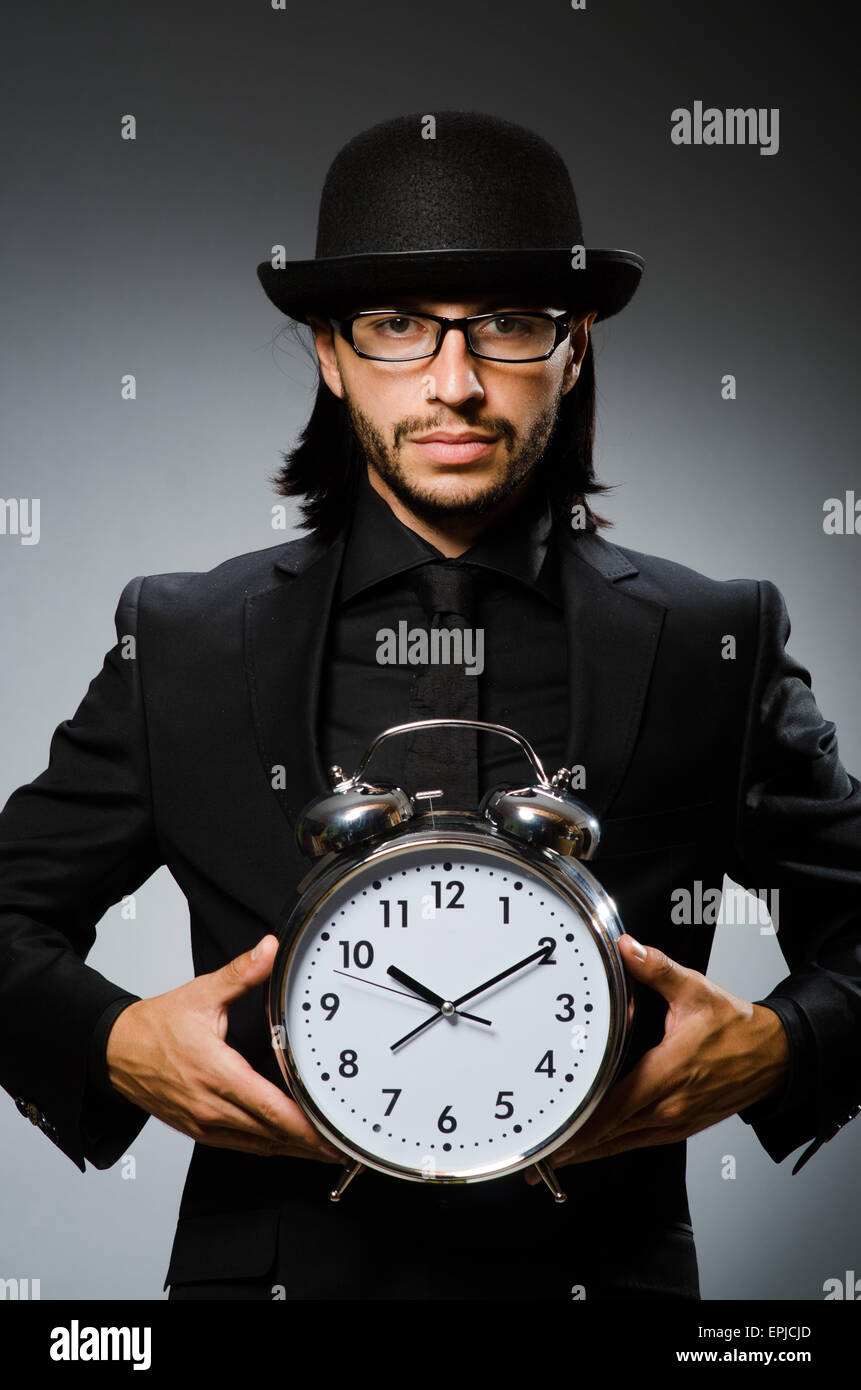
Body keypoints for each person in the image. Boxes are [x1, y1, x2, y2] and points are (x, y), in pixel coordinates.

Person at [1, 111, 859, 1302]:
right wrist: (107, 1042)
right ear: (329, 351)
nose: (453, 385)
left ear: (576, 345)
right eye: (398, 327)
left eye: (507, 324)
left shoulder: (716, 640)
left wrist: (781, 1049)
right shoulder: (187, 642)